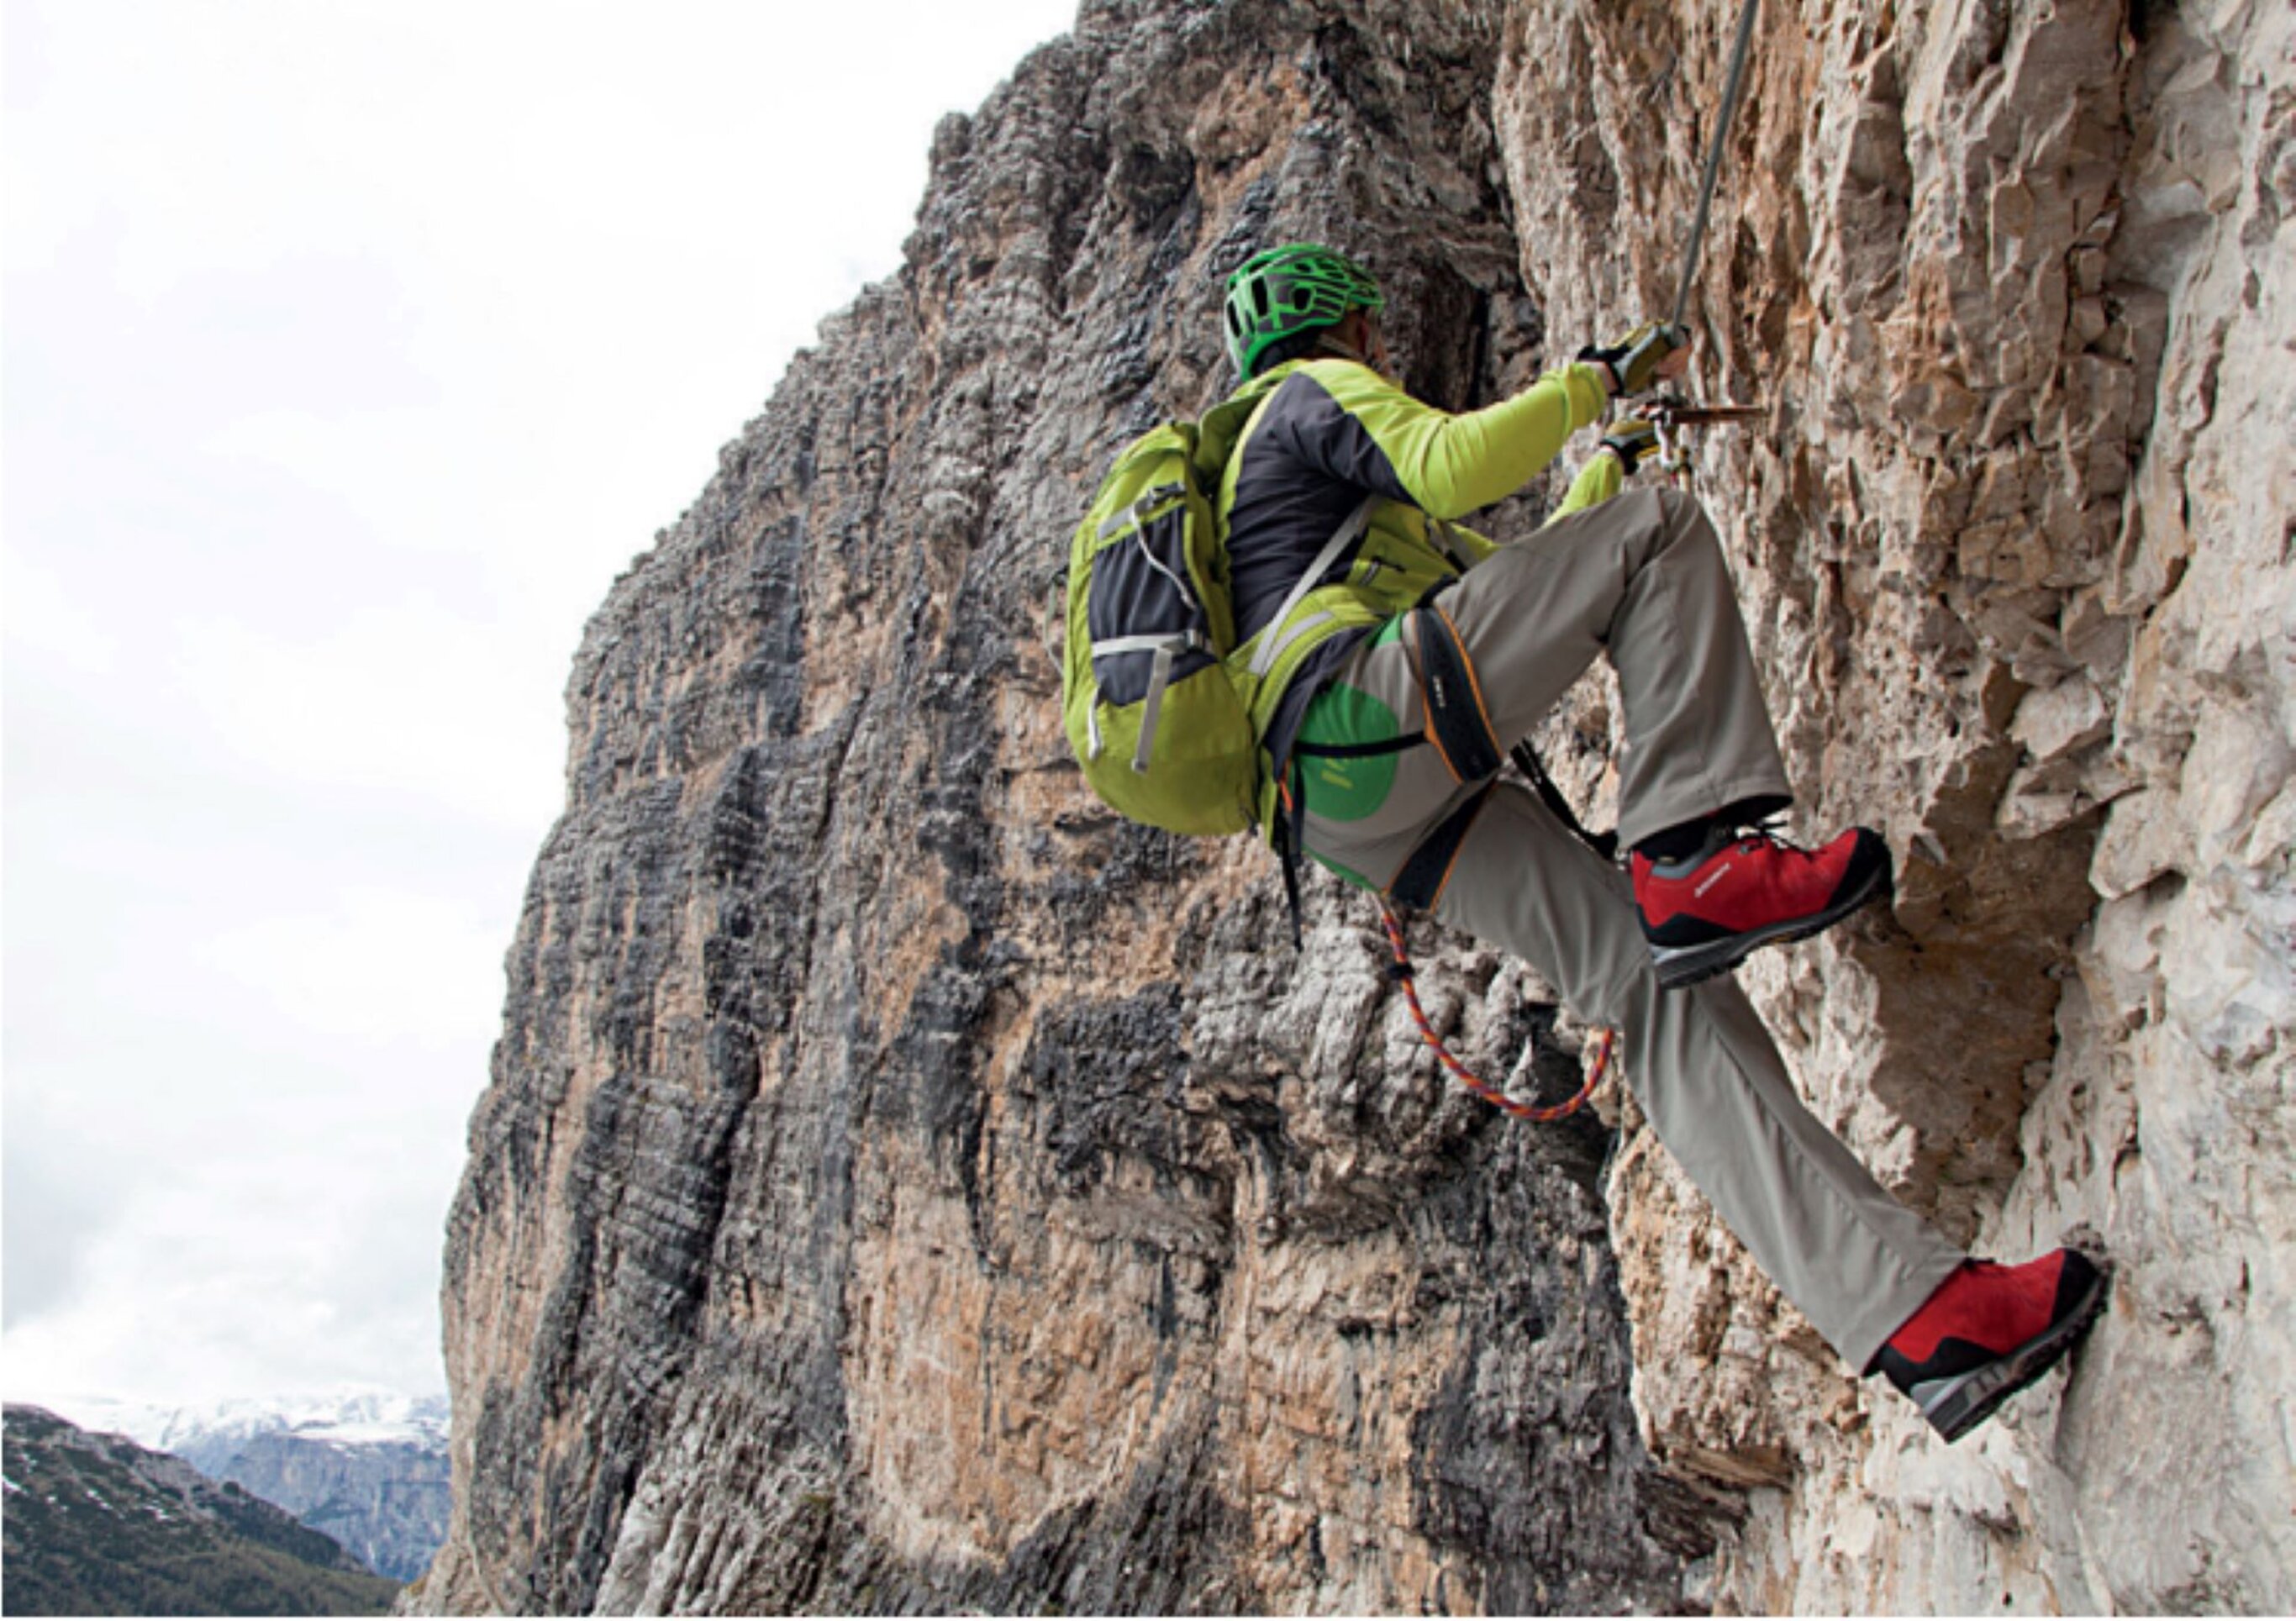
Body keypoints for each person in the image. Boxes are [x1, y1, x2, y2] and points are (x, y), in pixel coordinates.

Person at [1212, 243, 2107, 1443]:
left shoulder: (1300, 516)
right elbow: (1452, 463)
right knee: (1665, 530)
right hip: (1372, 714)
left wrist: (1594, 481)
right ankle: (1698, 857)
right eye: (1371, 328)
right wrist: (1591, 384)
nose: (1382, 347)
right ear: (1341, 324)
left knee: (1658, 992)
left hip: (1356, 807)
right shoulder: (1307, 394)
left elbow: (1510, 580)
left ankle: (1925, 1315)